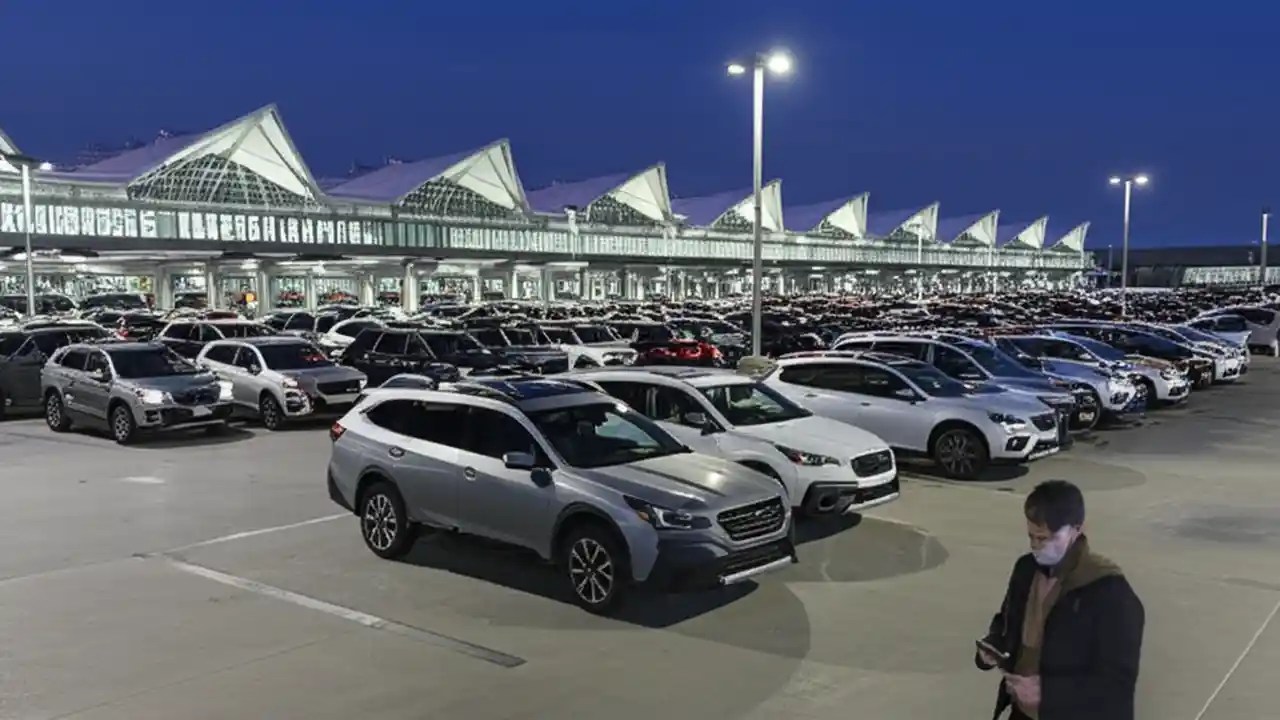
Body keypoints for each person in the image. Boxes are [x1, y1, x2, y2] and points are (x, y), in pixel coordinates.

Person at [976, 480, 1144, 719]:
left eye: (1045, 538)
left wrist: (1048, 693)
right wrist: (993, 646)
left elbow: (1117, 685)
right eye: (1031, 537)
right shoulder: (1025, 570)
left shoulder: (1110, 593)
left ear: (1076, 529)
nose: (1036, 546)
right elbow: (1006, 621)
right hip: (1022, 713)